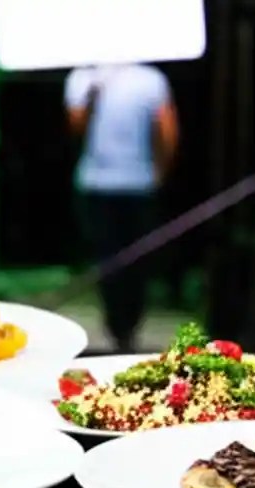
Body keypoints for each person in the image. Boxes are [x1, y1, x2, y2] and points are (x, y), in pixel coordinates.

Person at [65, 63, 179, 352]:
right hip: (96, 182)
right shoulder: (82, 77)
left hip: (138, 183)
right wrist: (92, 96)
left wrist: (159, 174)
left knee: (137, 259)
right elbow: (75, 126)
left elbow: (167, 130)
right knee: (107, 258)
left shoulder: (151, 79)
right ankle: (116, 327)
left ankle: (129, 327)